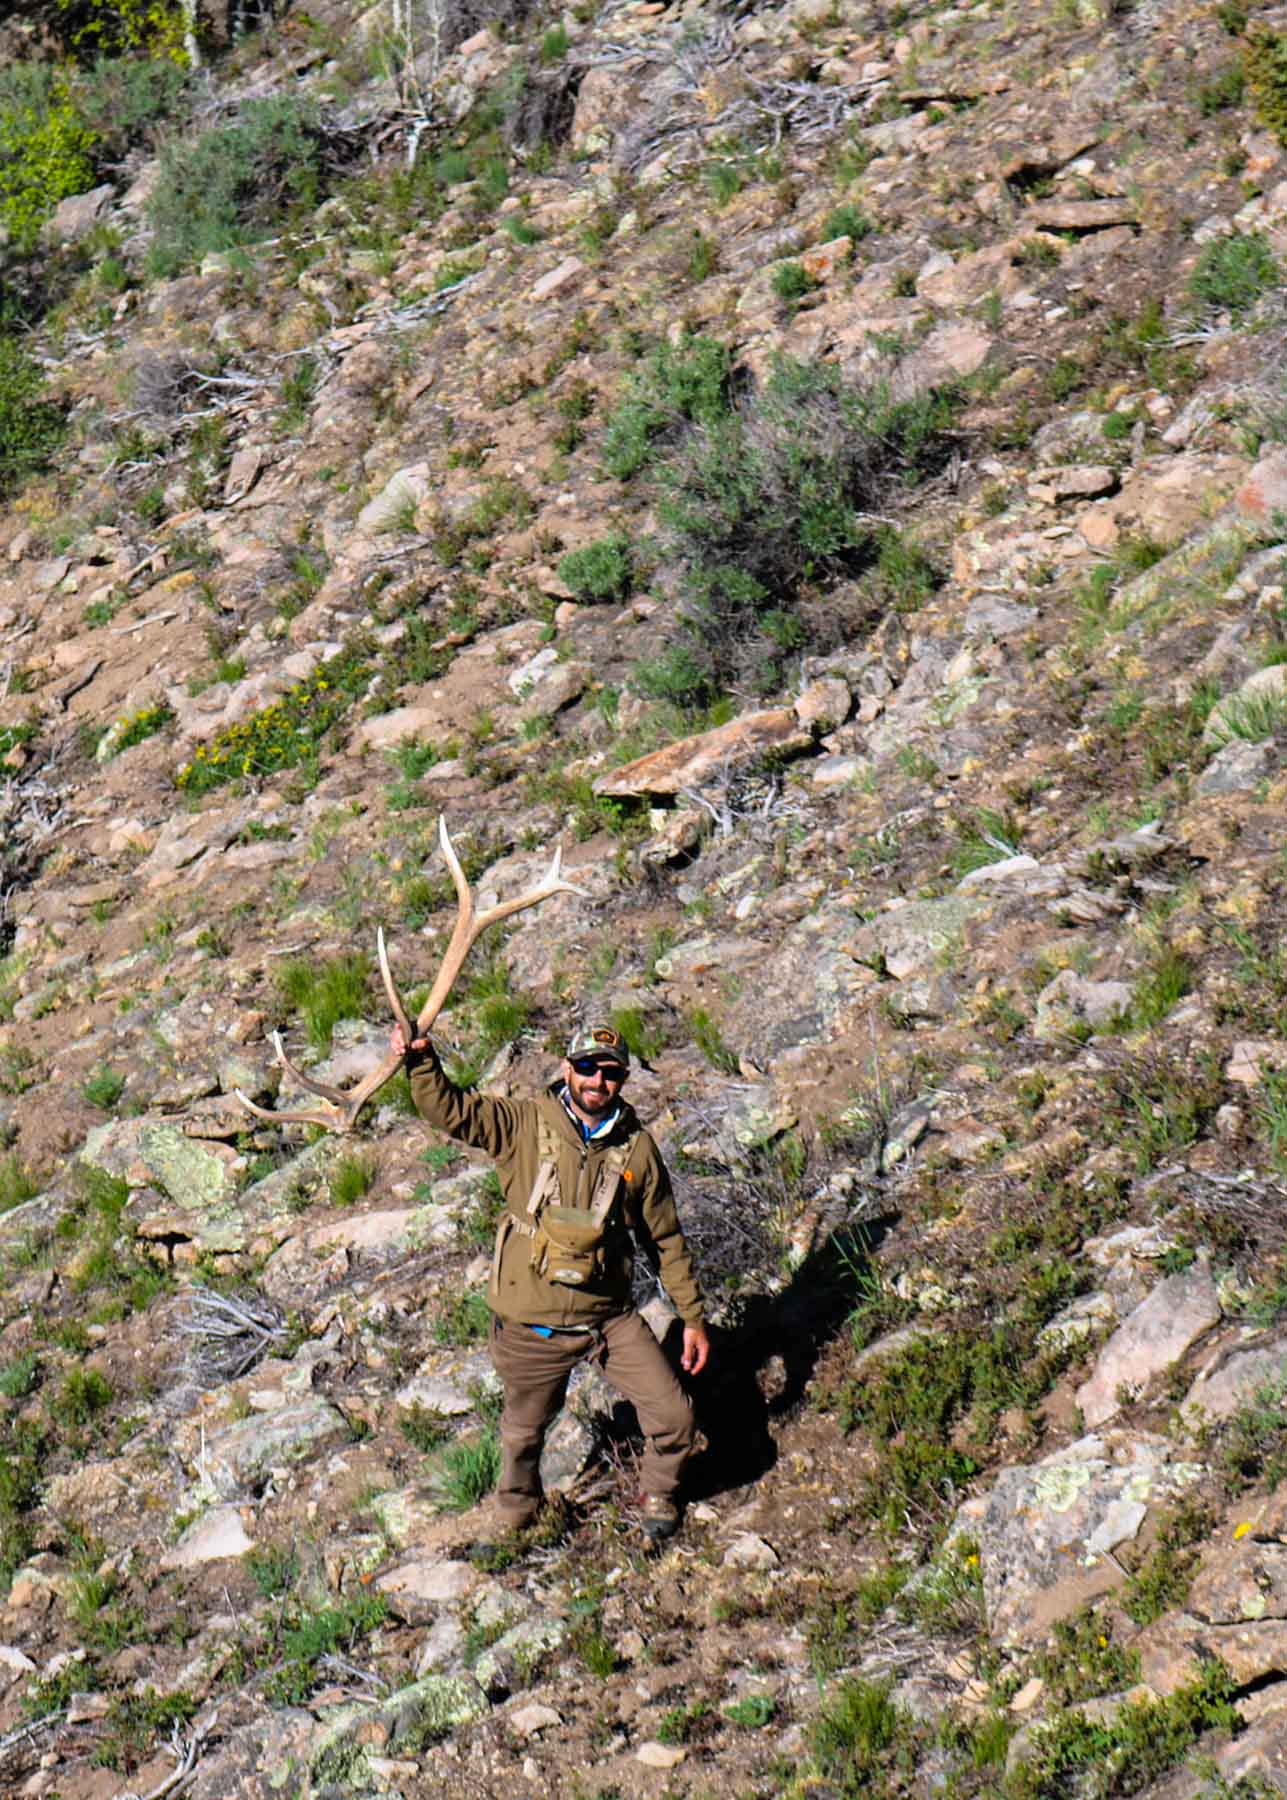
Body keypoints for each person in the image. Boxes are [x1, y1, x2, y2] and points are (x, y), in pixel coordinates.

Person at [392, 1017, 710, 1542]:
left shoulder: (638, 1150)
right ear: (567, 1069)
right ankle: (517, 1517)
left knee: (675, 1416)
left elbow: (666, 1240)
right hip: (532, 1324)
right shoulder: (521, 1124)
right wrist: (421, 1061)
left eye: (610, 1072)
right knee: (522, 1436)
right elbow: (449, 1111)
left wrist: (692, 1318)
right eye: (587, 1067)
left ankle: (659, 1494)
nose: (597, 1081)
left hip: (608, 1319)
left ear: (623, 1080)